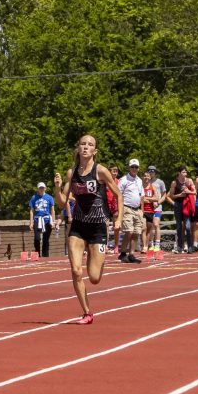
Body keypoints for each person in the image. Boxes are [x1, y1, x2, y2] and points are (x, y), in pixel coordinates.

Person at [54, 135, 122, 325]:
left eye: (90, 145)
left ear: (95, 151)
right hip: (78, 226)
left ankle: (98, 261)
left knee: (93, 278)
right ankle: (87, 312)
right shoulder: (72, 173)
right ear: (78, 148)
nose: (86, 147)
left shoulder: (100, 171)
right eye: (83, 144)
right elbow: (61, 202)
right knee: (76, 271)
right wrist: (57, 187)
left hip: (98, 228)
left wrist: (119, 219)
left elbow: (118, 195)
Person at [117, 159, 144, 263]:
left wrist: (142, 211)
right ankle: (123, 253)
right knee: (129, 231)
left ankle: (131, 254)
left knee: (136, 232)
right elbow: (118, 195)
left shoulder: (139, 180)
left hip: (137, 209)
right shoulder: (123, 180)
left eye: (136, 167)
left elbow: (142, 196)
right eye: (132, 167)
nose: (134, 169)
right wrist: (119, 210)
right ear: (129, 168)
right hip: (127, 208)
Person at [168, 166, 197, 253]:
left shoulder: (189, 181)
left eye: (186, 172)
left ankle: (190, 246)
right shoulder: (174, 183)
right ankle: (180, 246)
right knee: (179, 226)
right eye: (183, 172)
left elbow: (195, 192)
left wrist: (188, 192)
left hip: (186, 205)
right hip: (178, 205)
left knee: (188, 226)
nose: (185, 174)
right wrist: (179, 195)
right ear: (179, 173)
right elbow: (171, 196)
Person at [29, 182, 56, 257]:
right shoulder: (34, 198)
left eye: (43, 188)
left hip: (47, 219)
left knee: (45, 239)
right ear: (37, 189)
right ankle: (37, 253)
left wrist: (53, 222)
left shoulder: (49, 198)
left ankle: (45, 255)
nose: (41, 189)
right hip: (37, 219)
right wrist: (31, 222)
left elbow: (52, 210)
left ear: (45, 188)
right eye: (40, 188)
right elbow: (31, 211)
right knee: (37, 238)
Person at [146, 165, 166, 251]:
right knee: (149, 226)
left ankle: (157, 244)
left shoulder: (160, 182)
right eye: (150, 171)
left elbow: (164, 195)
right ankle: (151, 244)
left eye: (153, 171)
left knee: (156, 224)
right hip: (147, 207)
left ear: (155, 172)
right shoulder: (145, 182)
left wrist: (158, 202)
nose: (151, 172)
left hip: (157, 207)